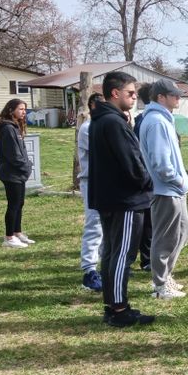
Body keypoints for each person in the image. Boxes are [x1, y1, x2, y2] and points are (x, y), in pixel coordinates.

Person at [89, 71, 155, 328]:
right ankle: (118, 309)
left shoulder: (103, 120)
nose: (134, 96)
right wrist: (147, 182)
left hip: (112, 198)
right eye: (130, 93)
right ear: (114, 93)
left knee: (113, 252)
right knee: (122, 254)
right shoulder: (113, 123)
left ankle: (114, 304)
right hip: (125, 199)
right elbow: (132, 163)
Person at [139, 79, 188, 300]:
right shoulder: (157, 122)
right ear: (161, 97)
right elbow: (161, 164)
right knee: (165, 238)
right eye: (174, 95)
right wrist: (178, 181)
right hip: (166, 190)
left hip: (173, 190)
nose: (178, 98)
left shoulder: (162, 119)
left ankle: (165, 276)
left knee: (183, 230)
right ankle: (160, 285)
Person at [0, 98, 33, 249]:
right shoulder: (8, 129)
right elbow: (13, 155)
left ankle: (17, 232)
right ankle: (9, 237)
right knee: (13, 204)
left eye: (24, 109)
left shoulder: (14, 126)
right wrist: (26, 167)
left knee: (20, 203)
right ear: (11, 110)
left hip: (18, 172)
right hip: (11, 173)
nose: (24, 112)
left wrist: (26, 166)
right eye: (20, 109)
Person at [77, 92, 105, 291]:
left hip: (107, 182)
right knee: (94, 224)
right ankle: (89, 271)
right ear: (93, 107)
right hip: (92, 181)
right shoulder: (88, 128)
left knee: (108, 225)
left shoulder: (104, 126)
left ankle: (106, 265)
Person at [133, 82, 154, 271]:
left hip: (146, 176)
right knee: (148, 220)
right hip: (148, 177)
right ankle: (147, 259)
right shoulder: (148, 119)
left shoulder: (141, 118)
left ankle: (148, 256)